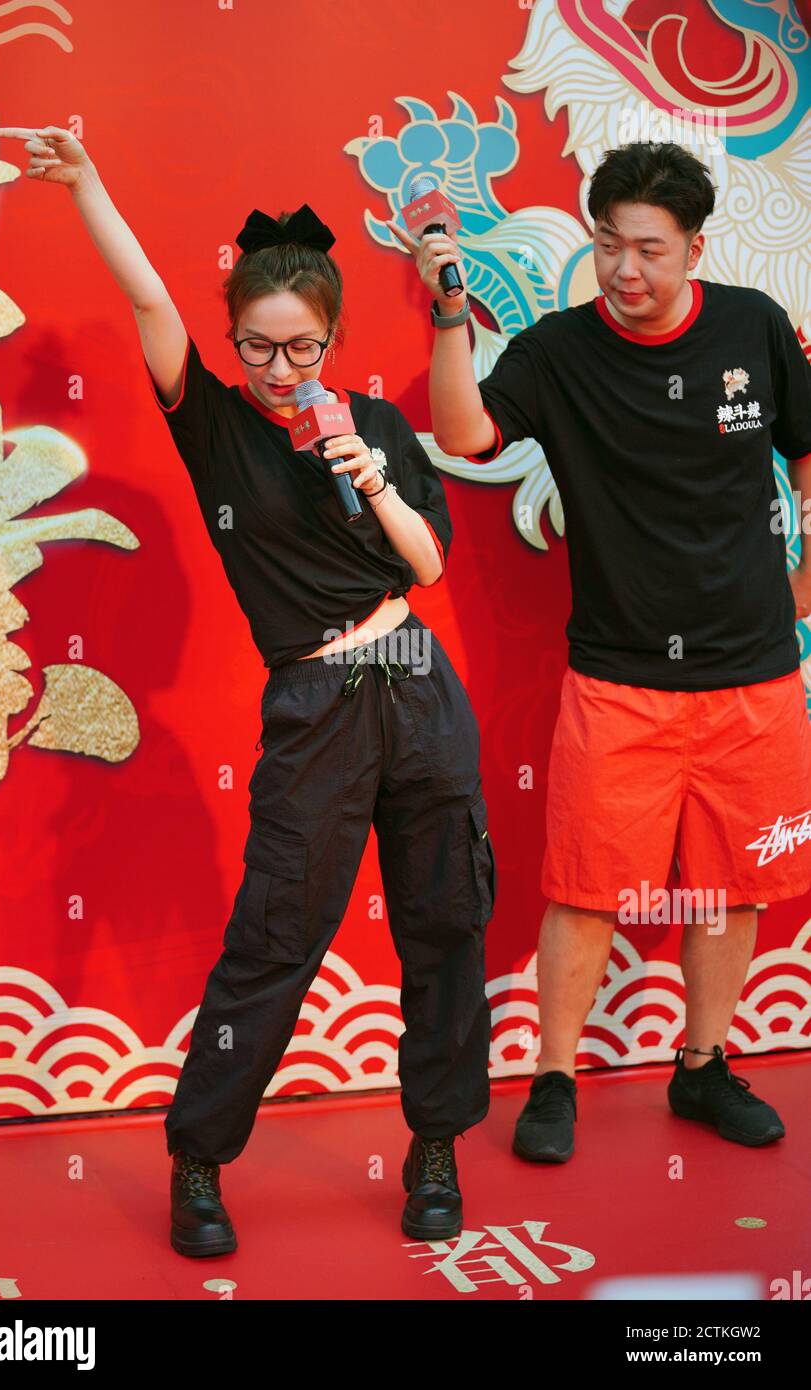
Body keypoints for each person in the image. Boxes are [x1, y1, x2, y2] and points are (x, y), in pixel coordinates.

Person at [0, 125, 497, 1255]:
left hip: (416, 679)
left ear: (333, 340)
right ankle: (201, 1159)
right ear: (233, 342)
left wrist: (372, 480)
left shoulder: (373, 425)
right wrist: (91, 188)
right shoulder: (214, 426)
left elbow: (428, 564)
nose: (282, 371)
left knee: (446, 921)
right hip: (316, 702)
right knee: (275, 937)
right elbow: (152, 304)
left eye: (304, 349)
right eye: (261, 348)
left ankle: (434, 1148)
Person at [389, 140, 811, 1162]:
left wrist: (803, 589)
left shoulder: (754, 328)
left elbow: (805, 441)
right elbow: (462, 430)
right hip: (618, 680)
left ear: (695, 250)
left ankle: (703, 1066)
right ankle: (553, 1079)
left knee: (730, 886)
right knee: (585, 889)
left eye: (650, 251)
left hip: (754, 677)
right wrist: (449, 310)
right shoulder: (562, 349)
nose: (627, 270)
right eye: (610, 245)